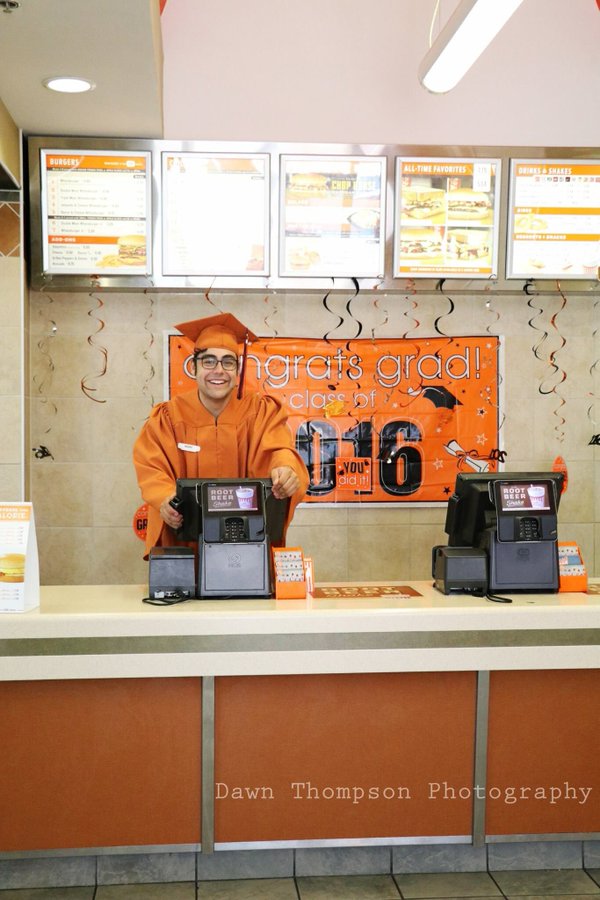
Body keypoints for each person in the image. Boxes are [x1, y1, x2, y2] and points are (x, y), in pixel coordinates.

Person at [133, 312, 309, 556]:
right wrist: (165, 498)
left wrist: (285, 470)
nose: (219, 370)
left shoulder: (261, 411)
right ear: (193, 367)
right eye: (209, 361)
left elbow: (279, 449)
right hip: (185, 542)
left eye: (228, 362)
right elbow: (151, 466)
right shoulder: (169, 416)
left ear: (237, 370)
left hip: (246, 542)